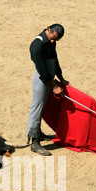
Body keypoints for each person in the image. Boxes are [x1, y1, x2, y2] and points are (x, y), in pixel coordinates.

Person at [26, 24, 69, 156]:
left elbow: (55, 61)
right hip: (42, 82)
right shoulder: (36, 45)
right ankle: (34, 142)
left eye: (55, 40)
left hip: (49, 82)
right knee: (37, 109)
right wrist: (54, 85)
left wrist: (61, 78)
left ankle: (38, 133)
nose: (52, 41)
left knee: (43, 108)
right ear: (48, 30)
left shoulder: (50, 42)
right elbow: (42, 71)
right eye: (52, 38)